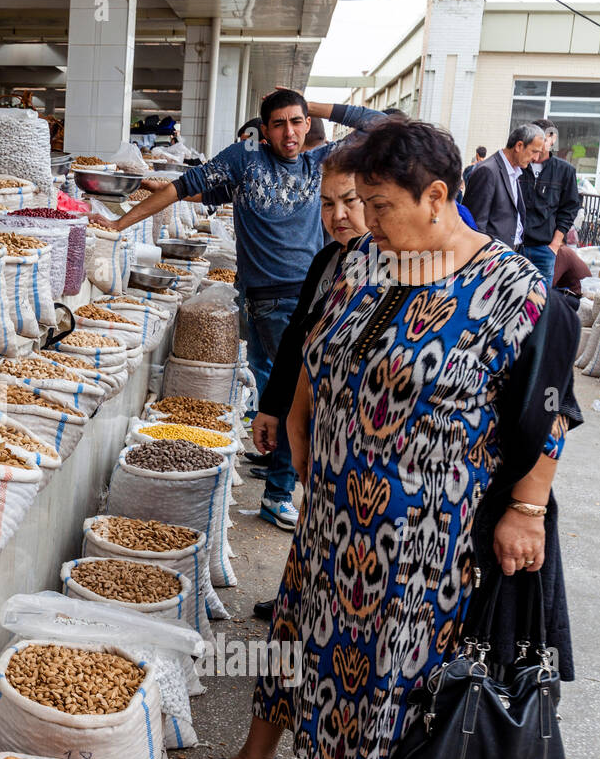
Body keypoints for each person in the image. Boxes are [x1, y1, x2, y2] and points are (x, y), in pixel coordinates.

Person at [183, 116, 580, 759]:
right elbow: (316, 345)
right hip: (332, 509)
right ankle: (255, 756)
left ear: (436, 197)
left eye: (380, 205)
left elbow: (550, 414)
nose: (365, 220)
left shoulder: (513, 292)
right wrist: (298, 432)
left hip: (425, 527)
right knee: (299, 637)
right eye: (360, 204)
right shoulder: (363, 261)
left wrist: (527, 507)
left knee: (406, 666)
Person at [94, 88, 383, 530]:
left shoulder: (319, 162)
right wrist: (117, 223)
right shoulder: (246, 157)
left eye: (298, 121)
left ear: (308, 124)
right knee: (288, 395)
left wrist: (311, 104)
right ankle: (280, 491)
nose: (290, 131)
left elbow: (379, 124)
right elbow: (184, 187)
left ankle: (277, 473)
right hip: (264, 297)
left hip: (303, 294)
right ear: (263, 131)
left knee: (282, 389)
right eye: (279, 123)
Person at [248, 149, 371, 619]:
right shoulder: (327, 260)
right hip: (312, 419)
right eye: (326, 203)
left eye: (351, 201)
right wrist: (272, 407)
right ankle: (295, 601)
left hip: (350, 431)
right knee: (313, 518)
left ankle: (309, 608)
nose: (338, 215)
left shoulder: (393, 268)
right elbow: (299, 337)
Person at [461, 123, 545, 250]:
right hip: (491, 258)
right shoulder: (488, 171)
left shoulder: (515, 171)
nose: (536, 158)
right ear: (519, 146)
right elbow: (474, 225)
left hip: (511, 253)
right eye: (534, 152)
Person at [519, 118, 581, 284]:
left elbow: (570, 207)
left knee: (541, 303)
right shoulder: (518, 167)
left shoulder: (565, 170)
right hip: (515, 247)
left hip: (544, 249)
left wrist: (554, 245)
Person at [551, 243, 590, 309]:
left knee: (544, 295)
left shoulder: (561, 251)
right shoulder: (563, 249)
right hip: (576, 294)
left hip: (578, 298)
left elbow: (551, 282)